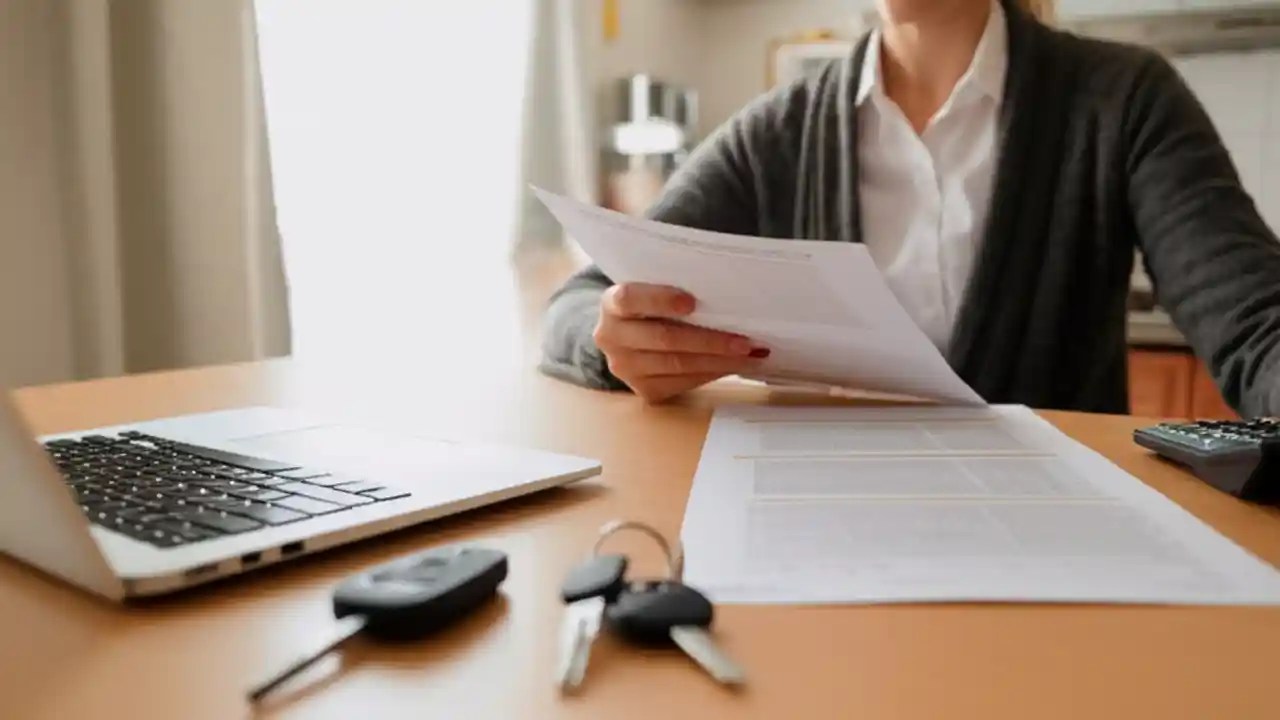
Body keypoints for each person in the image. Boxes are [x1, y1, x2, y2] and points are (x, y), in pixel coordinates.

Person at [539, 0, 1280, 416]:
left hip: (1048, 554)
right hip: (823, 542)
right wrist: (618, 342)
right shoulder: (777, 132)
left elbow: (1256, 323)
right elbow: (579, 305)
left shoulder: (1125, 100)